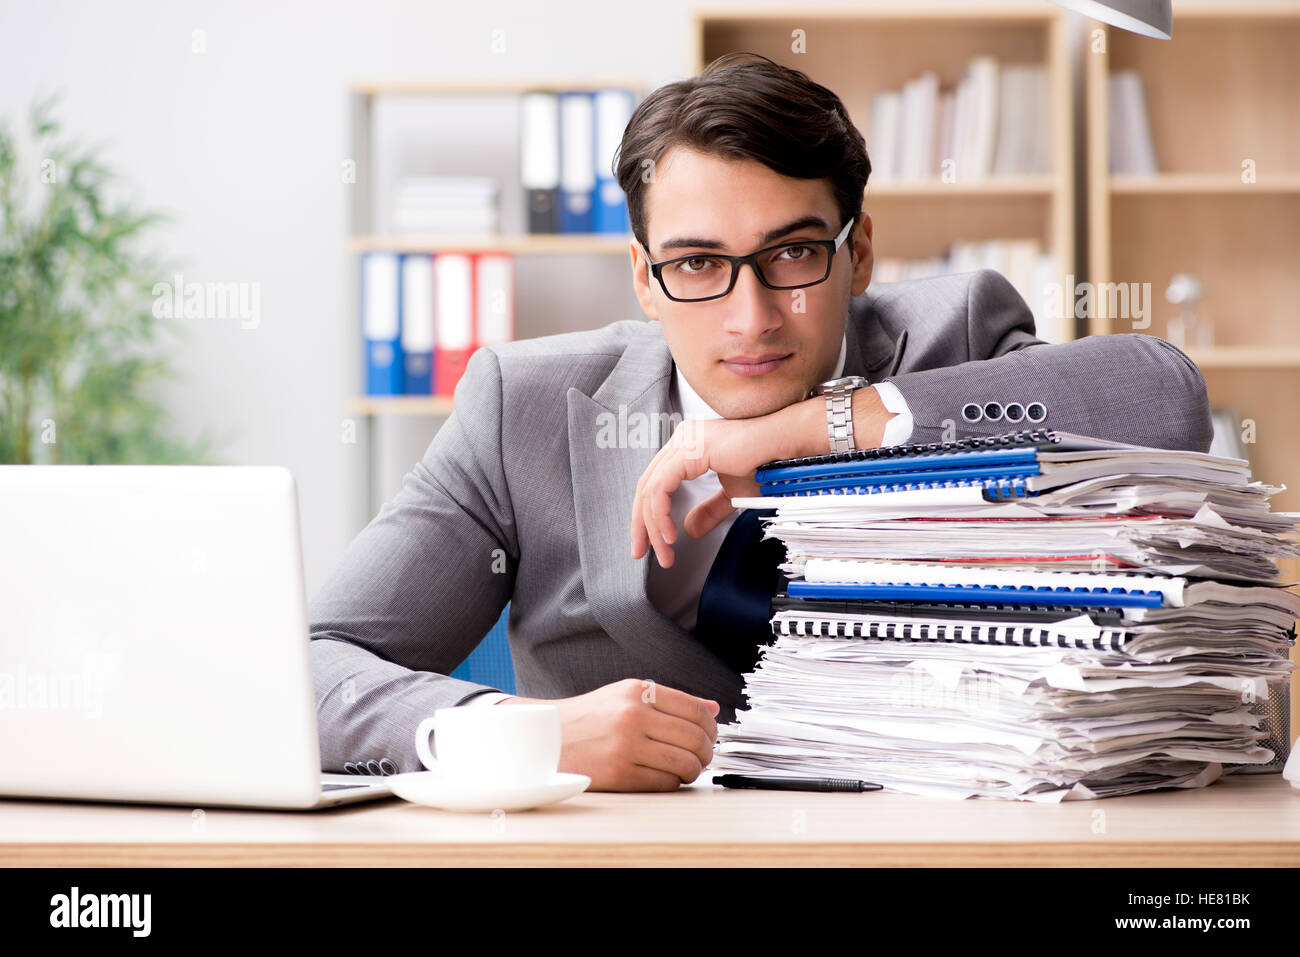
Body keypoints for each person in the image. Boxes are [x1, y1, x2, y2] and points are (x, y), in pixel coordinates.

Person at [310, 52, 1212, 792]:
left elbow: (1163, 397)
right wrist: (518, 732)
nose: (751, 318)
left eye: (791, 253)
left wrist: (815, 429)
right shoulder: (526, 408)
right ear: (642, 275)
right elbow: (314, 665)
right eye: (698, 264)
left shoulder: (955, 334)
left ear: (858, 252)